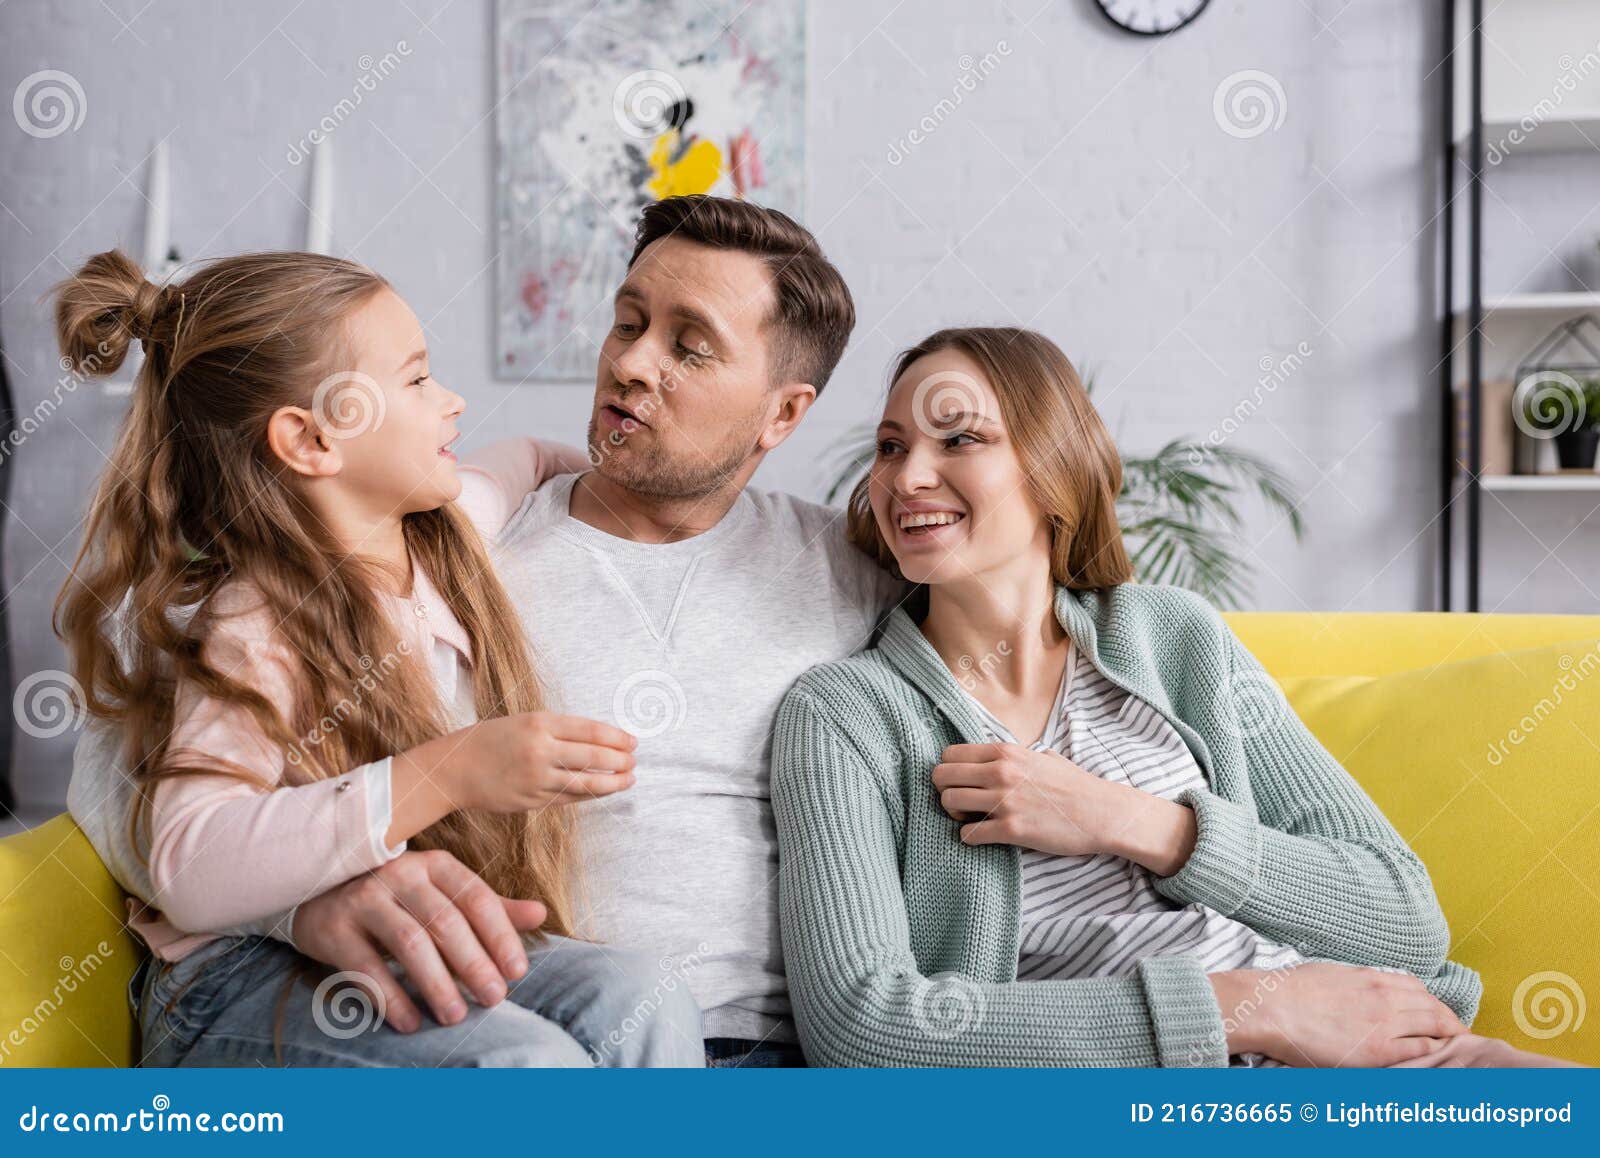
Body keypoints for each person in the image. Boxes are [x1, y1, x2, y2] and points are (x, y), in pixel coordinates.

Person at [770, 325, 1579, 1068]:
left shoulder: (1172, 637)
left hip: (1394, 1061)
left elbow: (1402, 916)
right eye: (889, 446)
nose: (907, 476)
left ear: (1054, 465)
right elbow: (862, 1026)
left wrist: (1128, 820)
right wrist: (1244, 1011)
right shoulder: (848, 715)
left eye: (960, 438)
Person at [57, 249, 703, 1067]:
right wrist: (451, 770)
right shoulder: (252, 618)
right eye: (417, 380)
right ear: (311, 438)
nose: (453, 402)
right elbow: (190, 861)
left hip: (387, 950)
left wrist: (638, 488)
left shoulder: (446, 532)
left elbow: (532, 459)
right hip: (235, 981)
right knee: (524, 1070)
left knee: (641, 998)